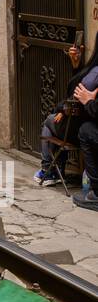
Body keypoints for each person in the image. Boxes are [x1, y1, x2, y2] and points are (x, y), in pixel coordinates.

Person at [33, 33, 98, 207]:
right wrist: (76, 66)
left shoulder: (95, 73)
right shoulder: (93, 69)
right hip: (79, 120)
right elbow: (79, 93)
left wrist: (65, 108)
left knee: (49, 121)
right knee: (53, 119)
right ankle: (51, 170)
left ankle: (49, 170)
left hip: (80, 125)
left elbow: (78, 98)